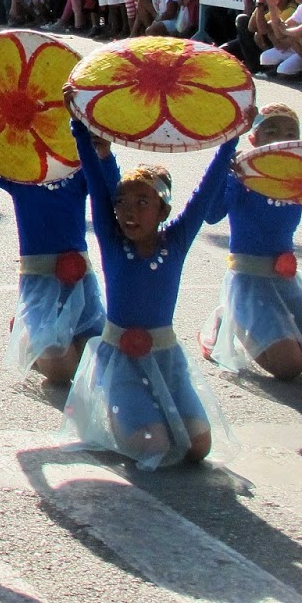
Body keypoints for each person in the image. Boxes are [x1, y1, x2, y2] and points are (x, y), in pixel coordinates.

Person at [64, 100, 245, 468]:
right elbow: (98, 184)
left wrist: (232, 139)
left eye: (142, 202)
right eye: (122, 203)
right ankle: (118, 411)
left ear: (163, 210)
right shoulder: (113, 240)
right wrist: (80, 128)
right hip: (121, 361)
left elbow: (205, 193)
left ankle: (150, 413)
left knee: (197, 446)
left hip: (166, 359)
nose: (129, 212)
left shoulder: (175, 242)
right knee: (156, 447)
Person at [0, 134, 115, 386]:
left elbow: (113, 192)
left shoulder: (77, 167)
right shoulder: (19, 170)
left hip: (81, 281)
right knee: (62, 375)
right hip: (40, 281)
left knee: (98, 363)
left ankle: (34, 330)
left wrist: (104, 154)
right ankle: (26, 334)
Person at [200, 104, 302, 381]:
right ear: (254, 139)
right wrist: (229, 173)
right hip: (249, 280)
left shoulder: (297, 178)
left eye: (291, 133)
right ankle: (229, 319)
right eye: (272, 131)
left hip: (287, 279)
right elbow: (211, 215)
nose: (281, 139)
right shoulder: (242, 175)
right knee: (290, 366)